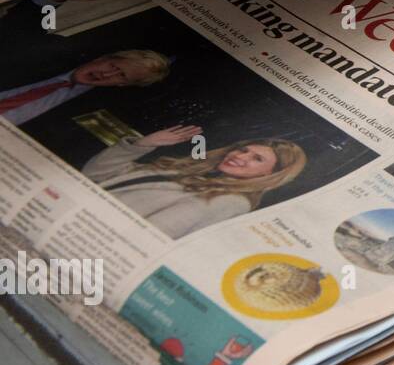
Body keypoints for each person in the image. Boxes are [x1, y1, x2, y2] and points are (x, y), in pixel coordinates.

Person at [82, 126, 307, 239]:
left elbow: (150, 234)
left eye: (256, 159)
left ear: (269, 175)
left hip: (92, 238)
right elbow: (94, 175)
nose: (240, 156)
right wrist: (142, 144)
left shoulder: (230, 201)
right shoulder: (191, 169)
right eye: (243, 149)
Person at [0, 49, 170, 126]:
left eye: (121, 75)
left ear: (122, 85)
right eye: (112, 66)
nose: (107, 75)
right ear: (102, 57)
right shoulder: (47, 53)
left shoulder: (85, 112)